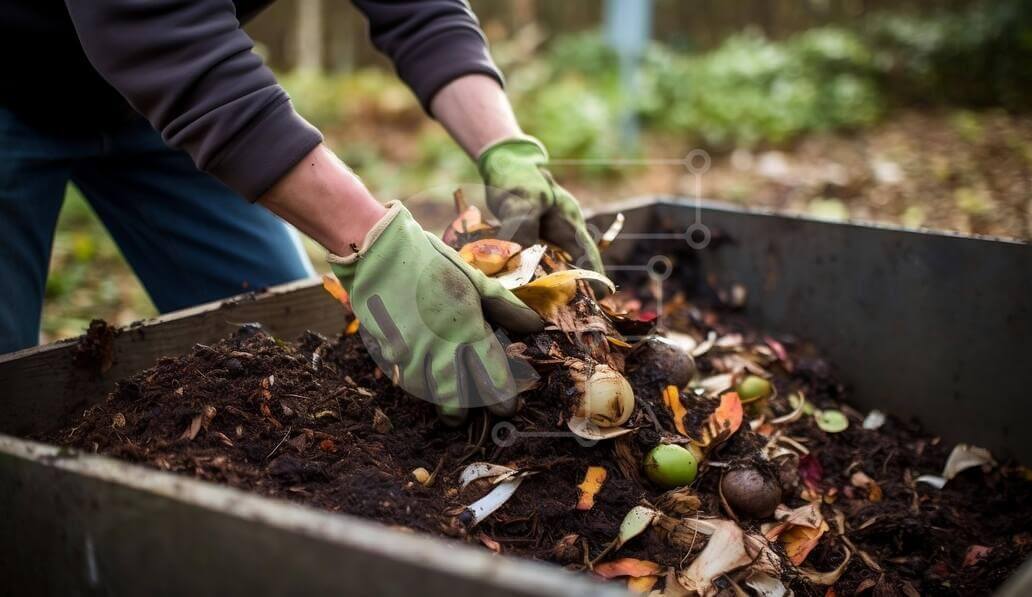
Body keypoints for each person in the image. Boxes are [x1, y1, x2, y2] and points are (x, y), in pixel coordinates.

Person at [0, 0, 603, 415]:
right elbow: (152, 21)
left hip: (152, 109)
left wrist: (506, 151)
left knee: (290, 364)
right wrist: (372, 239)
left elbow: (421, 11)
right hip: (71, 75)